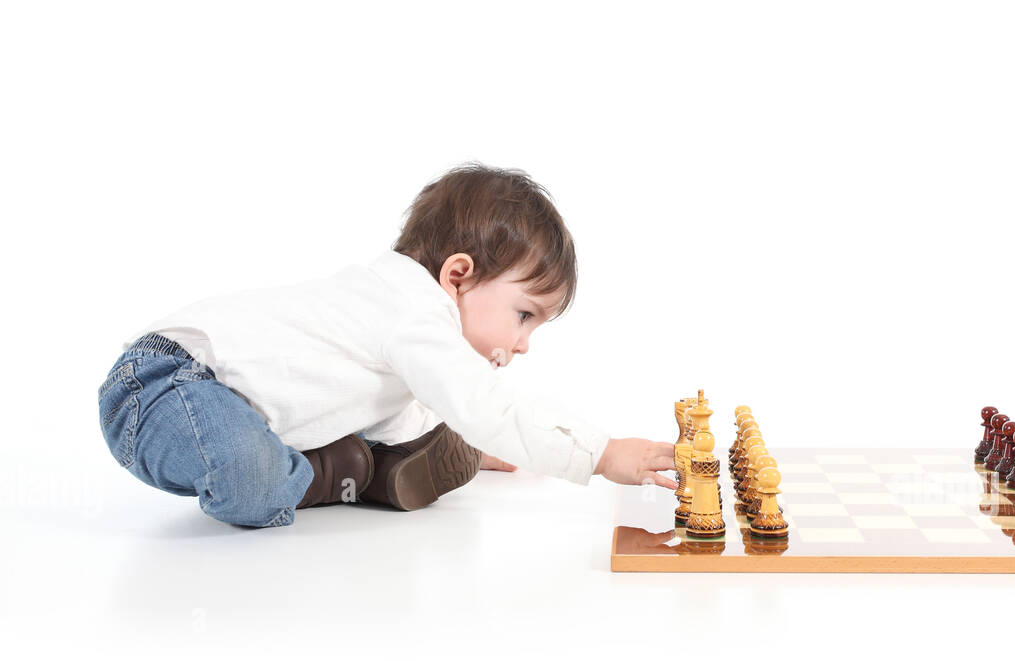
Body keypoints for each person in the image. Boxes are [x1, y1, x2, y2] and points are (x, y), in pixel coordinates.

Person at [96, 162, 678, 528]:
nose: (523, 344)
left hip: (228, 405)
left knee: (315, 449)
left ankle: (358, 464)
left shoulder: (407, 337)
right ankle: (338, 472)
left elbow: (447, 408)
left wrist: (477, 446)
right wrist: (600, 454)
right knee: (252, 479)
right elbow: (489, 407)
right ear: (457, 275)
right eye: (523, 316)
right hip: (164, 386)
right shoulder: (412, 313)